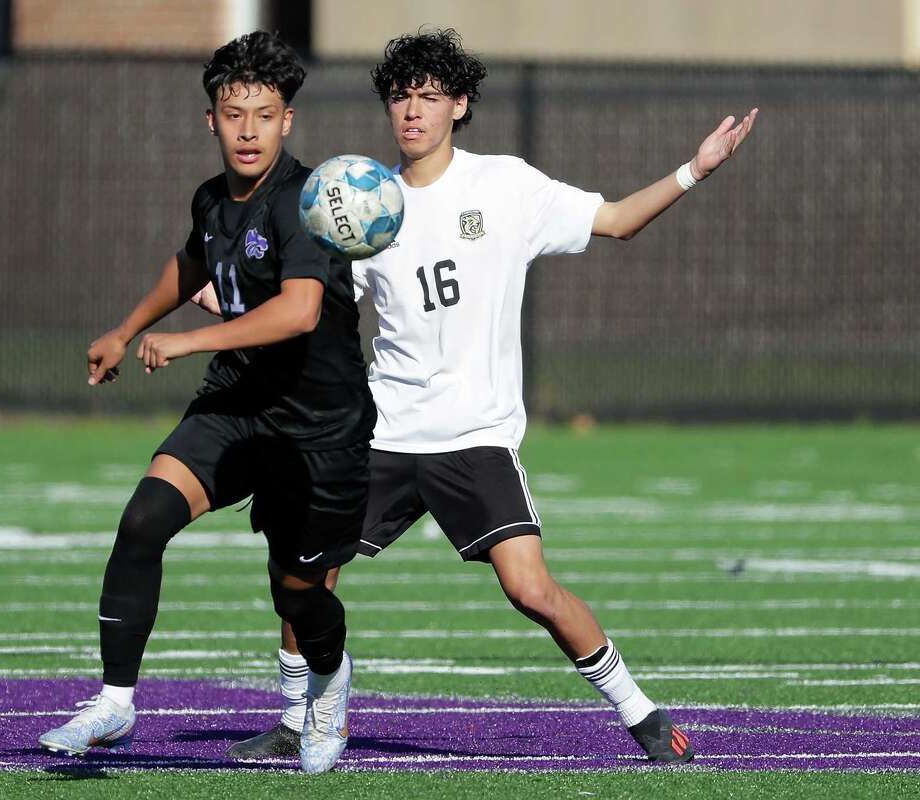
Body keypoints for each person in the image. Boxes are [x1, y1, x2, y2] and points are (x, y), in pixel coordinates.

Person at [218, 28, 756, 764]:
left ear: (460, 105)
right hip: (383, 430)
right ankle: (293, 722)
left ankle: (644, 718)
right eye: (401, 97)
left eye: (430, 97)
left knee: (531, 589)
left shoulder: (505, 186)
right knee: (304, 571)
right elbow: (311, 309)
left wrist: (695, 170)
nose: (413, 111)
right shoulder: (357, 203)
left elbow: (619, 221)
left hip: (474, 435)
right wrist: (228, 310)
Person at [37, 30, 376, 775]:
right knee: (143, 518)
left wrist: (189, 342)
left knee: (300, 596)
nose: (247, 130)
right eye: (233, 114)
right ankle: (115, 702)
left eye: (263, 114)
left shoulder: (305, 202)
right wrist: (127, 330)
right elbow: (191, 259)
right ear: (211, 121)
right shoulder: (213, 199)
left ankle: (329, 680)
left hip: (321, 429)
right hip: (241, 403)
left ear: (288, 120)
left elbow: (300, 313)